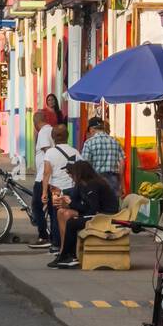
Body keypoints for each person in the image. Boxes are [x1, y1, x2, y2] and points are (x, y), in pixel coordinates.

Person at [49, 160, 118, 269]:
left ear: (80, 173)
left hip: (104, 217)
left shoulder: (93, 185)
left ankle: (69, 255)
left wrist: (71, 204)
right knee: (62, 212)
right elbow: (78, 201)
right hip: (96, 214)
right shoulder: (82, 184)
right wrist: (65, 199)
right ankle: (64, 253)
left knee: (72, 223)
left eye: (72, 174)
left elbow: (92, 209)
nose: (71, 176)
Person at [41, 124, 81, 261]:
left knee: (55, 218)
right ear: (67, 136)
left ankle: (57, 244)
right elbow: (80, 172)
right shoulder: (75, 152)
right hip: (71, 190)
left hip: (56, 190)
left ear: (53, 137)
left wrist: (44, 192)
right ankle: (64, 246)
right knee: (66, 218)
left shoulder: (50, 153)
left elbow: (46, 173)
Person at [27, 110, 57, 250]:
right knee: (51, 208)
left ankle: (43, 236)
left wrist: (46, 175)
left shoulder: (43, 133)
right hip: (51, 177)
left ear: (35, 123)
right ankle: (54, 238)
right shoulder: (51, 130)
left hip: (43, 177)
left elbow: (48, 153)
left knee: (37, 206)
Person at [81, 116, 125, 199]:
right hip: (113, 180)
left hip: (96, 180)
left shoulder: (89, 143)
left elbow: (85, 165)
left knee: (97, 209)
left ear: (91, 129)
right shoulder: (115, 141)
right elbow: (122, 163)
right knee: (112, 208)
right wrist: (122, 184)